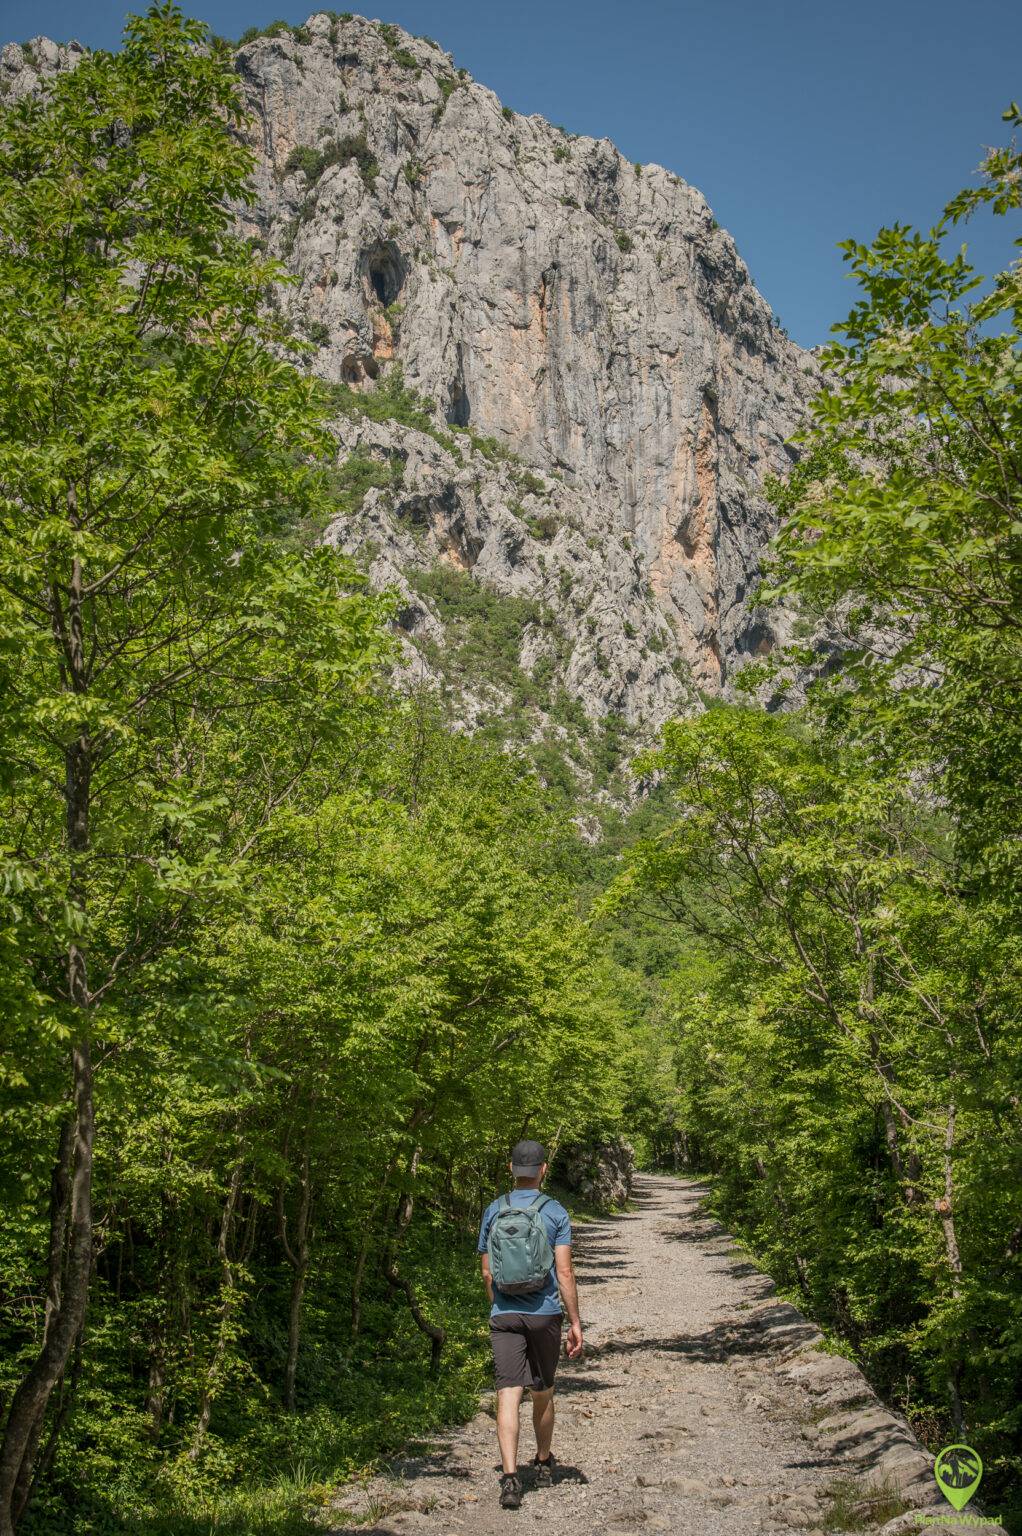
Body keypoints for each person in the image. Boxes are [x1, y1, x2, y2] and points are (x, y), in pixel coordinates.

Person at [477, 1139, 583, 1511]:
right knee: (542, 1391)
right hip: (544, 1314)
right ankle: (541, 1462)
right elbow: (565, 1271)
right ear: (543, 1170)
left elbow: (488, 1273)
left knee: (508, 1393)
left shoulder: (494, 1210)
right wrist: (574, 1322)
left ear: (511, 1170)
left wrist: (500, 1308)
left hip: (503, 1314)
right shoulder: (554, 1212)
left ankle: (509, 1478)